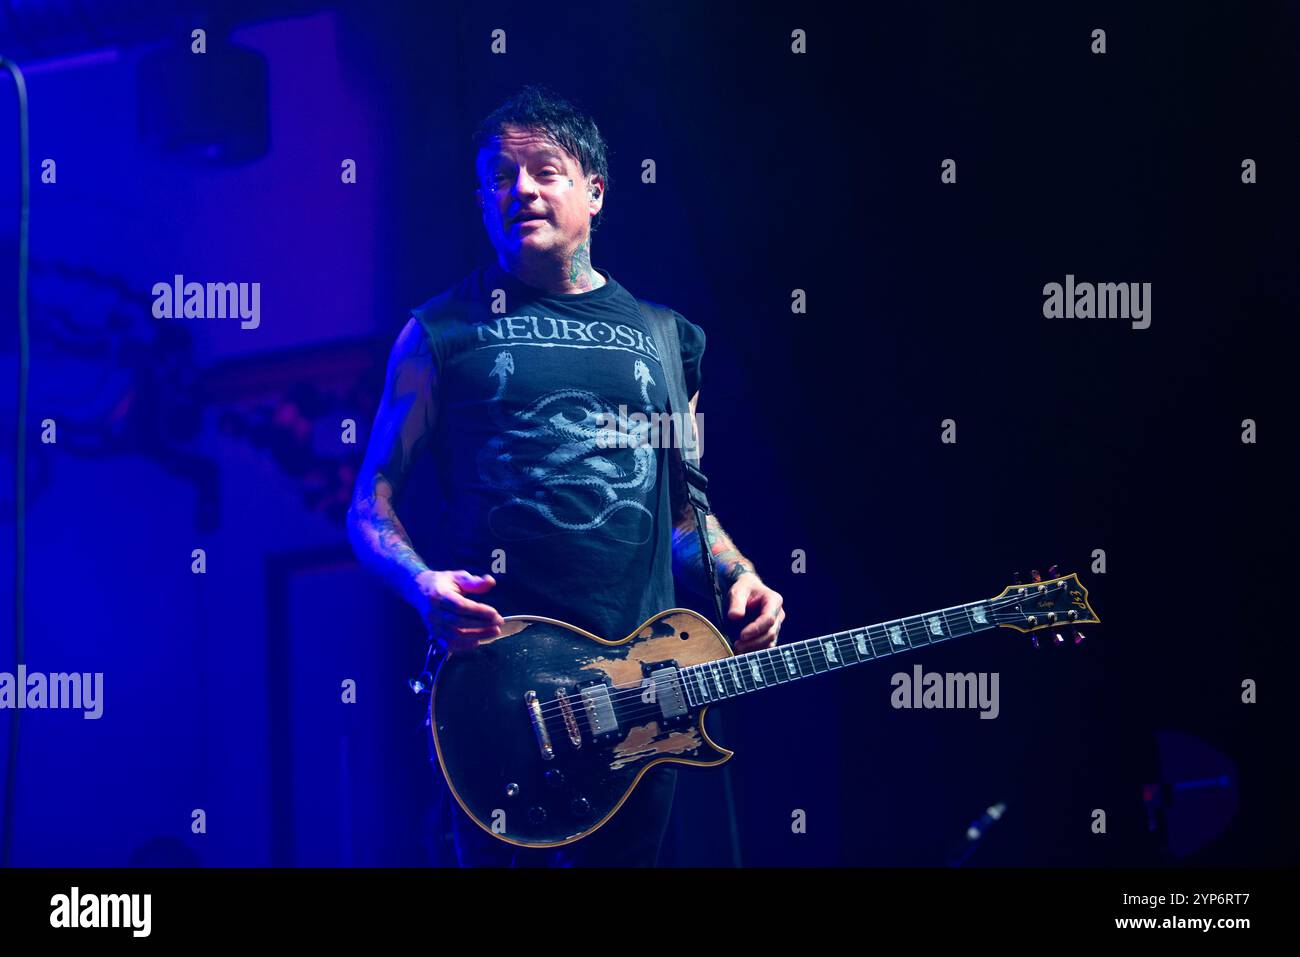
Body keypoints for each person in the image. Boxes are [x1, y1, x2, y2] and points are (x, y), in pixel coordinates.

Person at [347, 85, 784, 866]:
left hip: (640, 694)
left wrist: (741, 576)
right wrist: (421, 585)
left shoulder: (666, 339)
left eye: (544, 170)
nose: (521, 190)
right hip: (502, 695)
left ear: (596, 190)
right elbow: (369, 504)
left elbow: (684, 514)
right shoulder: (438, 333)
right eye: (499, 176)